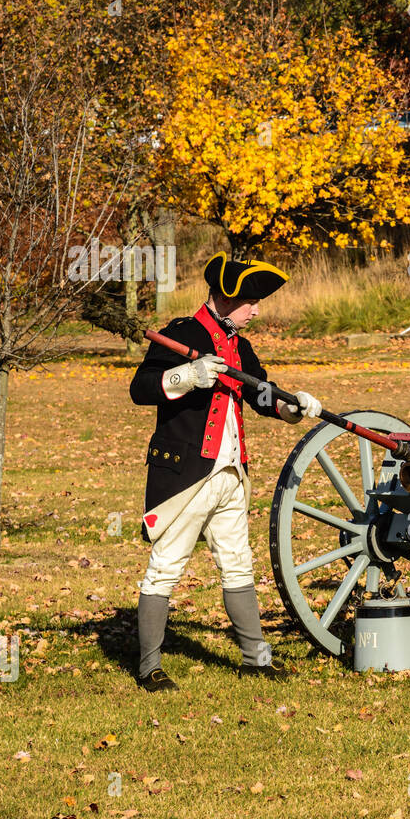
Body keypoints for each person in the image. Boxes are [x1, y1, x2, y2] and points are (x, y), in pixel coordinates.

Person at [129, 253, 323, 691]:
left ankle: (257, 659)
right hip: (187, 475)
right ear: (226, 296)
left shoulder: (240, 344)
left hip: (232, 472)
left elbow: (260, 393)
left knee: (238, 566)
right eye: (250, 301)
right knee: (165, 567)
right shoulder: (181, 334)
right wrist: (186, 376)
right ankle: (148, 668)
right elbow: (140, 388)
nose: (256, 310)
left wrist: (292, 406)